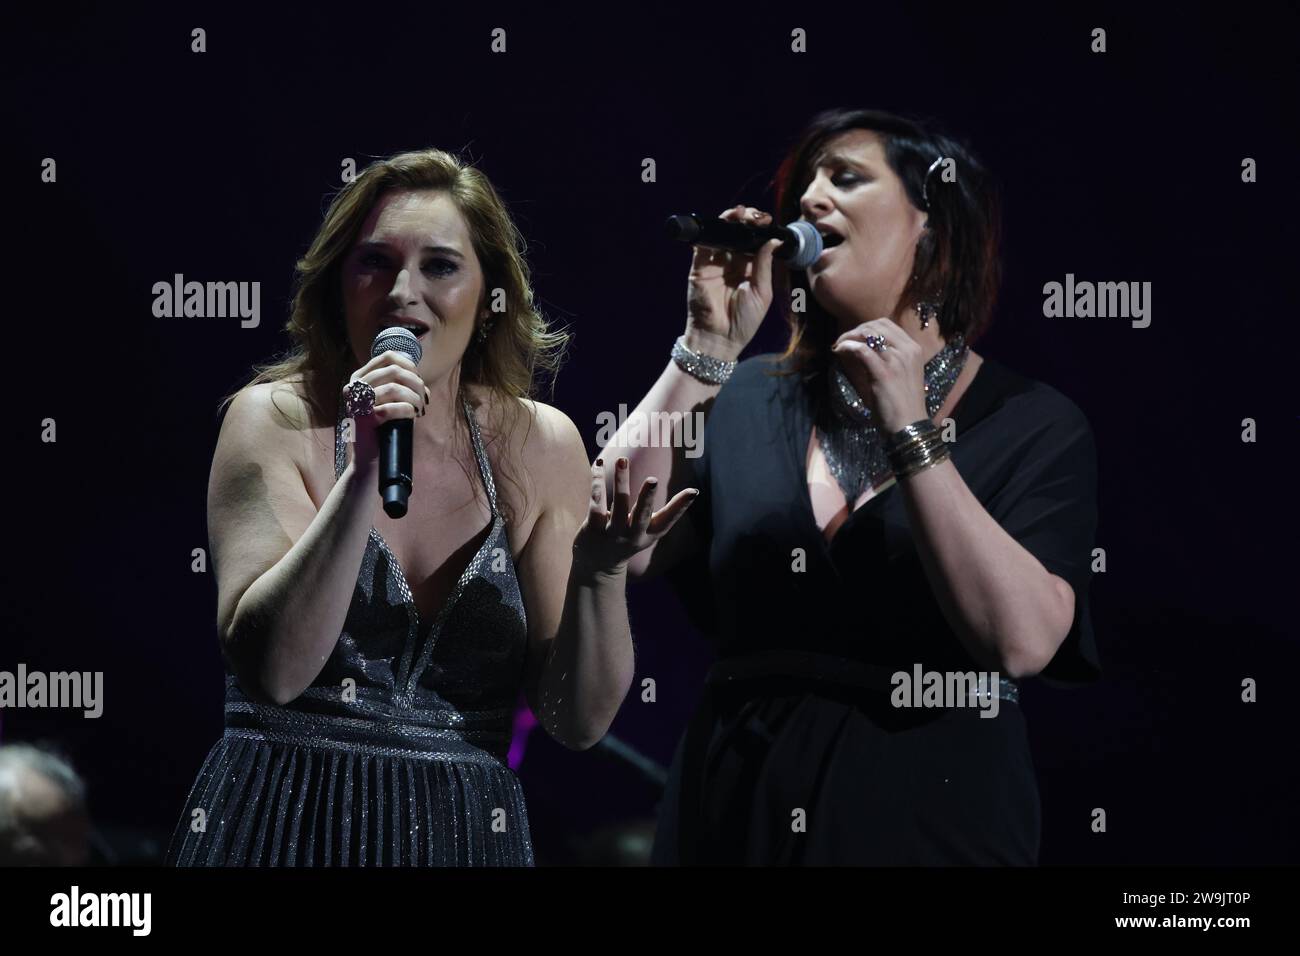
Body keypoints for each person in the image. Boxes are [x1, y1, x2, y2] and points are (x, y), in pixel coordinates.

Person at [166, 148, 695, 866]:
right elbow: (278, 670)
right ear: (336, 287)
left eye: (440, 266)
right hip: (283, 819)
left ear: (488, 299)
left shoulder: (541, 443)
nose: (401, 292)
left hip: (463, 833)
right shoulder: (273, 420)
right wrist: (360, 476)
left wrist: (598, 578)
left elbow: (576, 723)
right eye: (374, 264)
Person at [599, 109, 1100, 865]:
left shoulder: (1033, 422)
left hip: (929, 814)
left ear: (930, 225)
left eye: (846, 177)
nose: (809, 199)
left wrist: (911, 425)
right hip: (737, 809)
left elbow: (1023, 642)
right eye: (806, 183)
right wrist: (705, 347)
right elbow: (612, 534)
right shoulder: (744, 398)